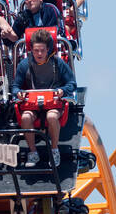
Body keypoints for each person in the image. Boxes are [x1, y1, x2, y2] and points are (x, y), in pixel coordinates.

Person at [11, 29, 77, 167]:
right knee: (25, 118)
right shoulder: (24, 65)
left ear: (48, 49)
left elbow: (72, 83)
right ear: (31, 50)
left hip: (53, 104)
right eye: (36, 50)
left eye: (42, 50)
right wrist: (19, 93)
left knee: (51, 117)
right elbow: (15, 87)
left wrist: (62, 91)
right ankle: (33, 152)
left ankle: (54, 150)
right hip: (32, 105)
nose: (39, 54)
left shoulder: (58, 63)